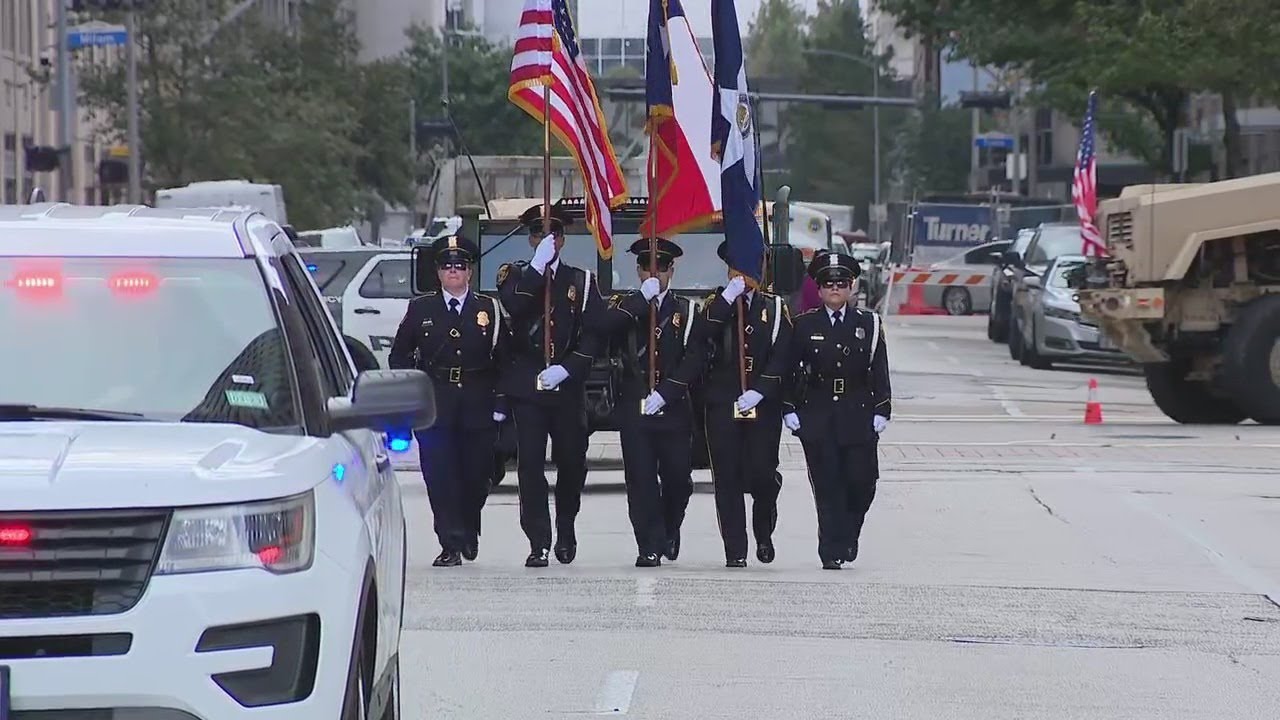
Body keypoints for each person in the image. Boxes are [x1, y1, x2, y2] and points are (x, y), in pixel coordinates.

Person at [388, 235, 510, 567]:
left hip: (478, 401)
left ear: (469, 272)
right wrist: (413, 391)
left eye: (460, 266)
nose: (453, 271)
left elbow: (504, 360)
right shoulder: (420, 309)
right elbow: (398, 355)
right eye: (447, 266)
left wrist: (500, 403)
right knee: (440, 476)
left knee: (477, 475)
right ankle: (450, 542)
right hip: (436, 402)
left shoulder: (489, 308)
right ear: (438, 273)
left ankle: (469, 527)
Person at [497, 203, 607, 567]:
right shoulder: (512, 275)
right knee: (530, 465)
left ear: (562, 240)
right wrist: (536, 268)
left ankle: (566, 524)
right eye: (538, 235)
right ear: (531, 240)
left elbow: (593, 336)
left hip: (566, 386)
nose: (546, 240)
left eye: (553, 235)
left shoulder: (581, 281)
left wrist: (568, 368)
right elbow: (515, 305)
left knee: (572, 462)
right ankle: (538, 540)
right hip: (527, 386)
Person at [594, 237, 708, 567]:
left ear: (672, 270)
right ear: (638, 271)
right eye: (647, 267)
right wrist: (640, 302)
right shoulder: (624, 306)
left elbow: (696, 356)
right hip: (634, 406)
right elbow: (602, 330)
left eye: (661, 267)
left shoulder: (686, 310)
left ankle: (670, 528)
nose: (653, 273)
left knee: (678, 480)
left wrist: (667, 392)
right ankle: (648, 544)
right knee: (640, 480)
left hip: (672, 407)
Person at [783, 251, 892, 570]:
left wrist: (882, 409)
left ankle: (849, 532)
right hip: (818, 413)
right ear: (818, 289)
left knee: (863, 482)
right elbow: (790, 370)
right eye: (828, 284)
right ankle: (831, 547)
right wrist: (789, 408)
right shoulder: (803, 325)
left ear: (851, 287)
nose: (835, 289)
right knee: (827, 484)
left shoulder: (868, 324)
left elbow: (879, 369)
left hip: (857, 411)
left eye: (841, 283)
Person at [699, 241, 794, 568]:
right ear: (728, 271)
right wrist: (728, 298)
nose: (746, 274)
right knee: (725, 477)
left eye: (752, 267)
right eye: (737, 268)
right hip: (723, 402)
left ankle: (763, 531)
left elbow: (783, 357)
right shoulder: (715, 304)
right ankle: (735, 550)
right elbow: (700, 337)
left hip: (762, 405)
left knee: (762, 474)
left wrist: (761, 390)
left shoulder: (776, 307)